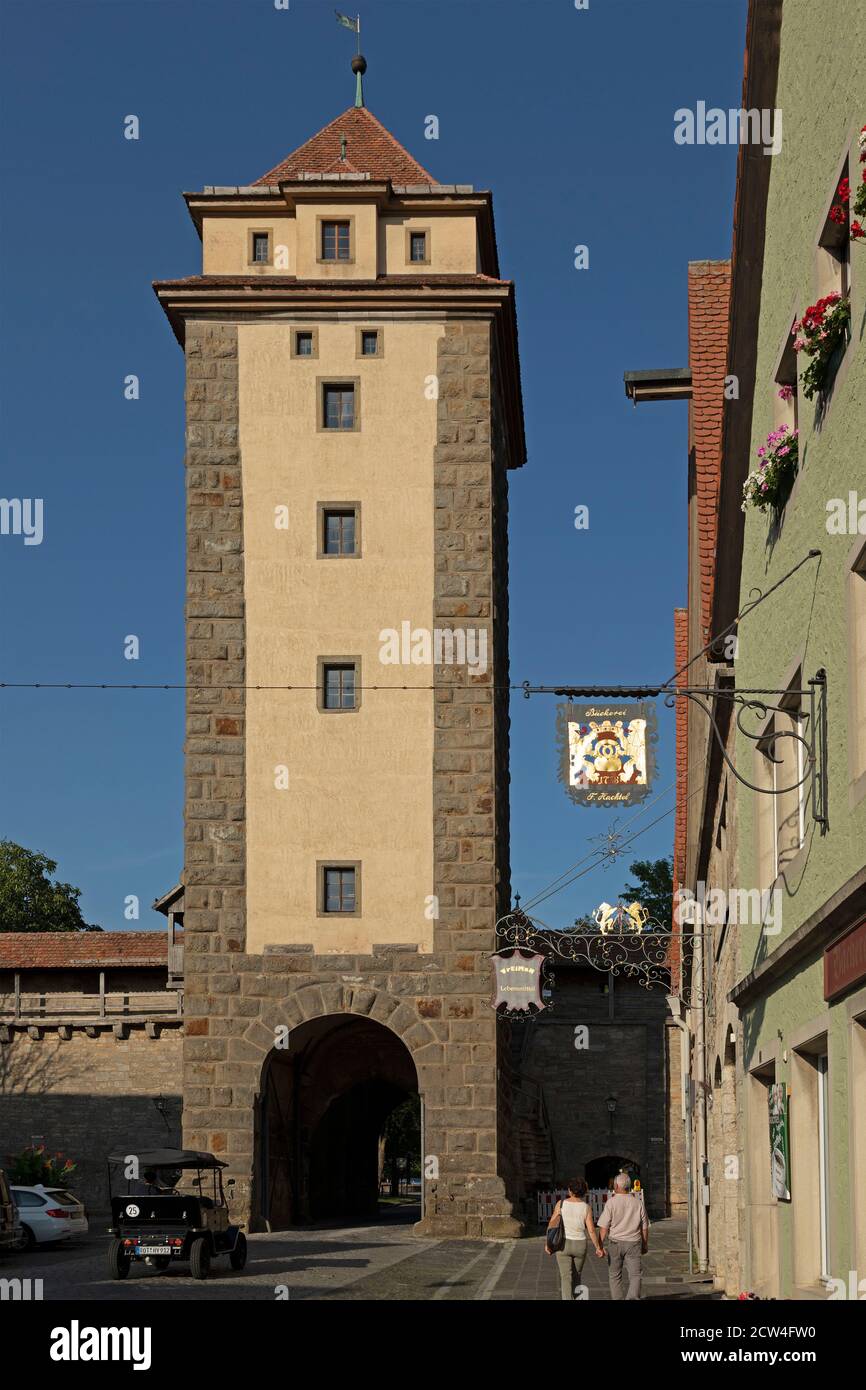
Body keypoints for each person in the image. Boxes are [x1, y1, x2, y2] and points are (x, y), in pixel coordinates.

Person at [545, 1179, 605, 1300]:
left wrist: (548, 1243)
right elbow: (591, 1230)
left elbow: (552, 1224)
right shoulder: (586, 1207)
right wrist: (598, 1247)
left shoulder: (560, 1204)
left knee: (565, 1278)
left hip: (563, 1244)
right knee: (577, 1277)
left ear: (570, 1190)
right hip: (580, 1245)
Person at [597, 1171, 649, 1300]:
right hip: (633, 1243)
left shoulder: (611, 1203)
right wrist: (645, 1244)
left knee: (615, 1275)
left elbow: (604, 1227)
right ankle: (632, 1298)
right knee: (635, 1275)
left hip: (615, 1243)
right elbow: (644, 1227)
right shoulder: (638, 1203)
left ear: (616, 1186)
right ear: (629, 1186)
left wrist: (599, 1245)